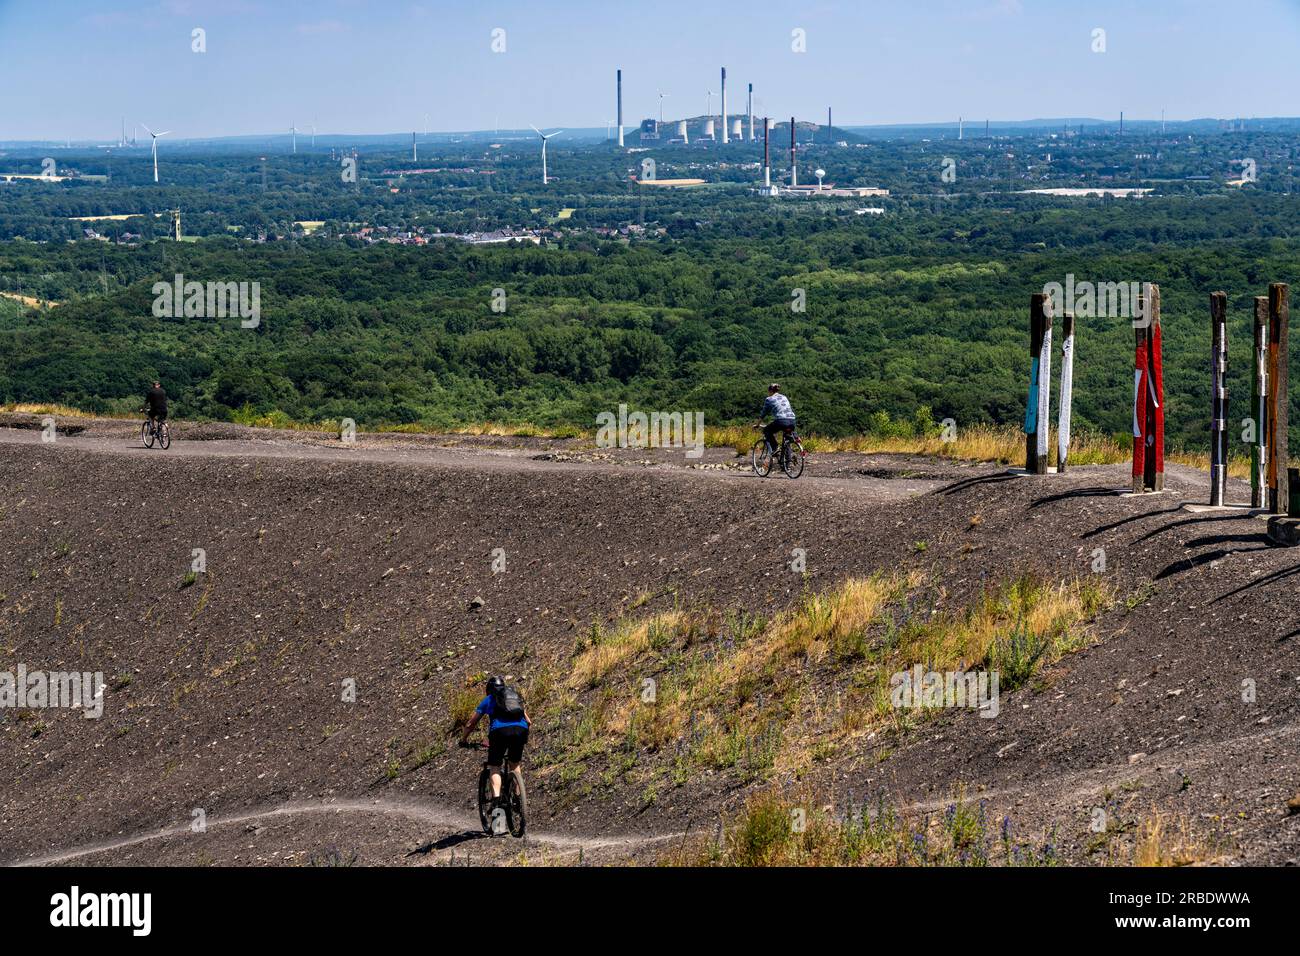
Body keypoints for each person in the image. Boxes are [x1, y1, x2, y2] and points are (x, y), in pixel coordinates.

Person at [459, 676, 531, 812]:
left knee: (495, 766)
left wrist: (463, 740)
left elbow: (471, 724)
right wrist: (523, 737)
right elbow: (528, 722)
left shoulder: (489, 699)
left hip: (499, 733)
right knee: (514, 764)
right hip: (520, 731)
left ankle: (497, 801)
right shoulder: (514, 698)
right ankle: (518, 799)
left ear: (489, 690)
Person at [755, 383, 796, 454]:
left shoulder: (769, 399)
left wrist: (757, 424)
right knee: (787, 436)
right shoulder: (784, 397)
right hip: (792, 420)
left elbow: (763, 414)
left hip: (781, 421)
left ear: (770, 391)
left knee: (767, 431)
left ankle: (775, 447)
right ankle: (787, 460)